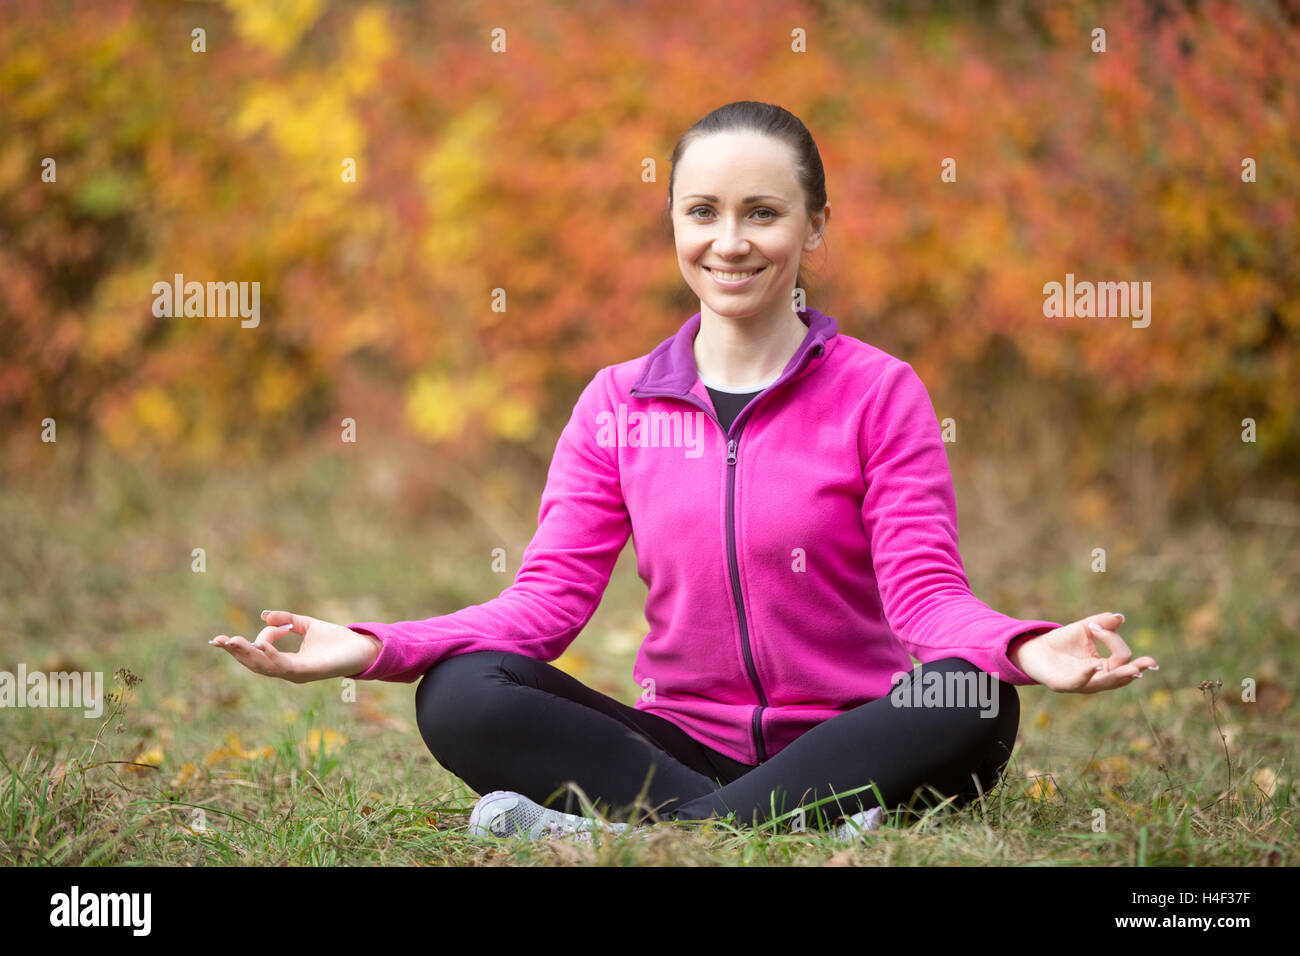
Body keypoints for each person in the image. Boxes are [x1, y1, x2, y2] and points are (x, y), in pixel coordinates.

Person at [210, 101, 1158, 843]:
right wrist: (375, 647)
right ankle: (791, 828)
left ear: (815, 226)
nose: (730, 241)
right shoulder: (617, 403)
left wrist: (1022, 648)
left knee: (970, 694)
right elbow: (540, 608)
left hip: (857, 738)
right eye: (702, 212)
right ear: (673, 222)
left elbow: (926, 600)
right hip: (680, 744)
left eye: (762, 213)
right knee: (460, 691)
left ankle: (628, 836)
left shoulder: (882, 392)